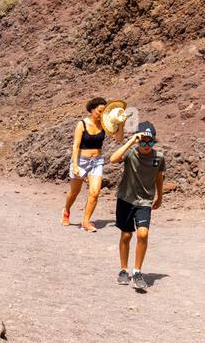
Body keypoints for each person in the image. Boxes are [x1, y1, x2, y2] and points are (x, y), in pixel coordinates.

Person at [109, 120, 164, 291]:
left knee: (142, 233)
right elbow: (113, 159)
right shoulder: (131, 152)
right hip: (126, 198)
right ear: (138, 140)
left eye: (150, 141)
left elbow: (158, 177)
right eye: (143, 141)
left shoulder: (158, 158)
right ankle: (124, 270)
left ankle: (137, 271)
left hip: (145, 201)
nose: (147, 145)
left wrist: (160, 196)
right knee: (126, 236)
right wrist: (131, 141)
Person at [61, 97, 109, 232]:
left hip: (97, 161)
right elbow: (75, 146)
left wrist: (121, 124)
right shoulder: (82, 124)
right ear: (92, 110)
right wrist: (75, 165)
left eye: (104, 112)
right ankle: (66, 209)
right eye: (100, 111)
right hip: (81, 160)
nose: (101, 114)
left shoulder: (105, 125)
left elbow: (118, 138)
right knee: (75, 192)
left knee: (95, 193)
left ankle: (86, 222)